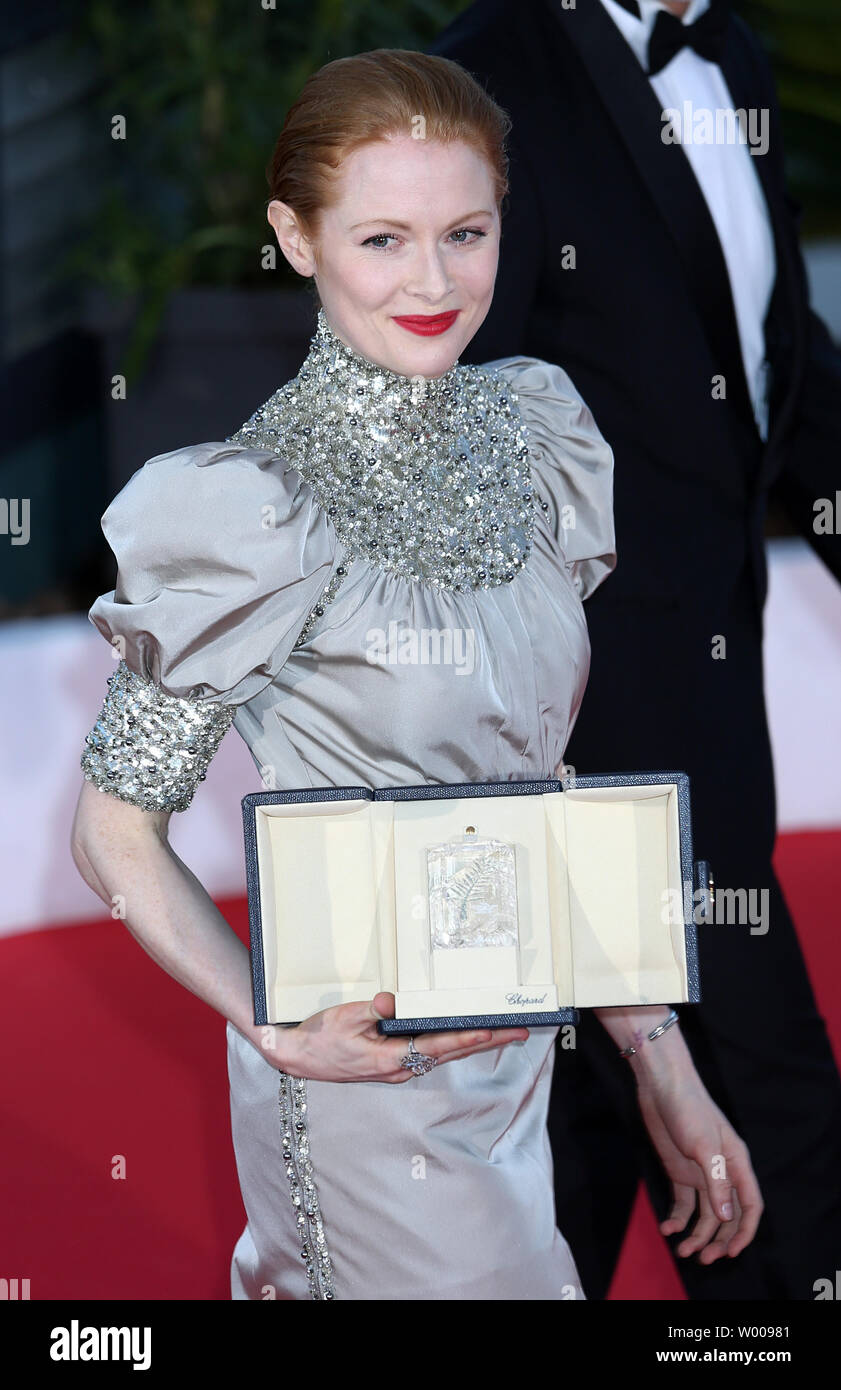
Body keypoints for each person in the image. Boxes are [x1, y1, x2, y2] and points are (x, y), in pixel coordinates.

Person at [70, 48, 762, 1301]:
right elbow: (114, 829)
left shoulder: (536, 428)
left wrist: (659, 1057)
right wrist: (271, 1024)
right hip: (363, 1078)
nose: (435, 282)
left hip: (515, 1049)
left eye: (468, 232)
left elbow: (539, 779)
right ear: (295, 237)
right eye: (383, 239)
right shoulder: (250, 507)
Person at [431, 0, 841, 1299]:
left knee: (578, 1144)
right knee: (777, 1158)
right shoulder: (488, 78)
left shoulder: (732, 55)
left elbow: (779, 358)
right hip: (593, 733)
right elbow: (451, 410)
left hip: (714, 692)